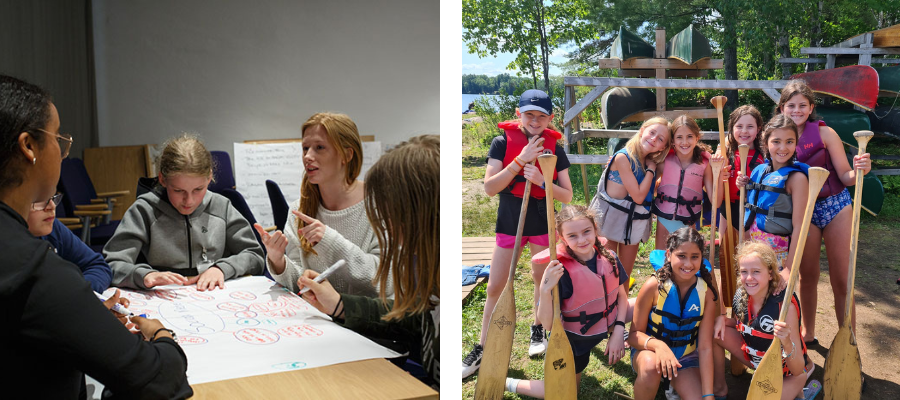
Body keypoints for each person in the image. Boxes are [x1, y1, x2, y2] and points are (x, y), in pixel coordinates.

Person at [0, 74, 190, 398]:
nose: (63, 152)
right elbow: (161, 379)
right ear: (29, 147)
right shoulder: (31, 266)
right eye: (58, 139)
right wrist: (161, 333)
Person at [297, 135, 440, 389]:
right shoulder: (424, 265)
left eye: (389, 214)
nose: (386, 226)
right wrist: (340, 305)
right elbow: (415, 318)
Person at [464, 89, 573, 378]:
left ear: (550, 118)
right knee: (495, 286)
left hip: (541, 221)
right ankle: (483, 347)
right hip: (510, 221)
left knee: (542, 281)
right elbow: (490, 188)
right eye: (529, 115)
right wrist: (520, 161)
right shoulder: (501, 143)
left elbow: (567, 195)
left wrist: (540, 181)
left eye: (541, 116)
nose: (535, 120)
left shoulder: (555, 149)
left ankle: (538, 330)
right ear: (519, 114)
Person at [775, 80, 871, 344]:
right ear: (782, 107)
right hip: (803, 212)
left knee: (843, 279)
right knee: (807, 277)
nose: (796, 110)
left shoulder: (825, 133)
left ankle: (847, 341)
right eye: (791, 105)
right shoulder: (776, 135)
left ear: (811, 107)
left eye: (802, 105)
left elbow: (845, 175)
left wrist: (860, 169)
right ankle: (809, 334)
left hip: (835, 206)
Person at [253, 112, 387, 298]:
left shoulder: (380, 205)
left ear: (346, 155)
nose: (308, 156)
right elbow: (298, 283)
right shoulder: (299, 209)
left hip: (364, 323)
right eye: (305, 148)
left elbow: (385, 282)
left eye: (320, 148)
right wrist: (278, 261)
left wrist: (330, 241)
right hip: (318, 320)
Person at [105, 134, 264, 290]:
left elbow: (255, 256)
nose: (189, 201)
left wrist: (222, 269)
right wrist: (144, 275)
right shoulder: (144, 210)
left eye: (198, 189)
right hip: (163, 298)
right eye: (178, 190)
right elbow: (111, 264)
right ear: (162, 179)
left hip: (214, 297)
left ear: (209, 178)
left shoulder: (221, 207)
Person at [503, 205, 630, 397]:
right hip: (575, 340)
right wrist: (545, 290)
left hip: (610, 322)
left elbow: (621, 295)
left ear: (595, 228)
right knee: (565, 393)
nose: (582, 240)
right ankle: (509, 382)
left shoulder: (608, 256)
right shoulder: (561, 273)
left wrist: (619, 329)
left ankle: (643, 350)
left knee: (650, 304)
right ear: (562, 238)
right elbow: (547, 324)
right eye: (572, 236)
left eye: (587, 231)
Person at [712, 241, 816, 400]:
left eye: (756, 271)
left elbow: (796, 369)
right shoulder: (742, 296)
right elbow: (746, 327)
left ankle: (798, 392)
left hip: (788, 374)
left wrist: (786, 341)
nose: (749, 278)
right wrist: (722, 320)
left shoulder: (784, 307)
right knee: (714, 332)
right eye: (744, 271)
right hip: (756, 361)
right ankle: (719, 389)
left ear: (770, 274)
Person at [628, 227, 718, 400]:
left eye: (695, 257)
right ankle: (656, 379)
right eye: (681, 256)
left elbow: (705, 347)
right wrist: (659, 346)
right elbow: (633, 335)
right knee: (651, 368)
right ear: (669, 255)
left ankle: (672, 382)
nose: (688, 264)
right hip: (649, 353)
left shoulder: (706, 294)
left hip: (684, 358)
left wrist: (708, 395)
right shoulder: (653, 286)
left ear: (701, 258)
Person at [590, 117, 670, 274]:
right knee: (608, 273)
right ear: (642, 131)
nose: (654, 139)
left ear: (663, 147)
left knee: (624, 274)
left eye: (660, 139)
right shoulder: (623, 157)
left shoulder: (649, 162)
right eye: (651, 132)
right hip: (609, 223)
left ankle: (623, 299)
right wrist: (652, 170)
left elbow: (649, 191)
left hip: (632, 223)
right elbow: (639, 197)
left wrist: (654, 170)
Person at [736, 114, 810, 276]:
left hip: (779, 256)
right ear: (765, 143)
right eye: (776, 141)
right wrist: (742, 184)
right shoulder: (758, 171)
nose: (783, 148)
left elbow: (800, 227)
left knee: (774, 300)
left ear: (796, 143)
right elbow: (752, 208)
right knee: (751, 298)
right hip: (752, 250)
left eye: (789, 142)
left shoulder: (797, 179)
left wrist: (789, 269)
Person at [651, 115, 724, 250]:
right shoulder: (663, 160)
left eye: (689, 136)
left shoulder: (704, 164)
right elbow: (647, 184)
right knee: (662, 263)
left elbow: (716, 202)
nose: (685, 142)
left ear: (697, 138)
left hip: (688, 222)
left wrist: (718, 174)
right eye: (679, 137)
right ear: (672, 140)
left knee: (684, 262)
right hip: (664, 219)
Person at [27, 192, 112, 293]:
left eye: (52, 197)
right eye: (39, 200)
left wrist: (81, 293)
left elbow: (97, 265)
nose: (52, 206)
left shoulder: (53, 227)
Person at [721, 105, 767, 236]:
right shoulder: (725, 153)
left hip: (752, 210)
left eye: (750, 127)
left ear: (758, 129)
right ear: (732, 129)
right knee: (727, 253)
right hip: (728, 209)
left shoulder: (763, 156)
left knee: (748, 252)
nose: (744, 131)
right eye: (739, 126)